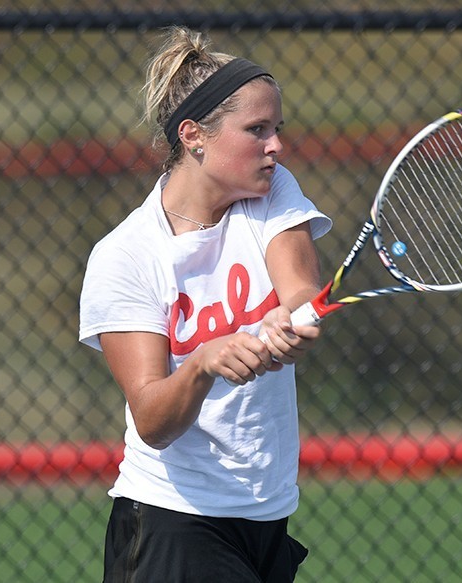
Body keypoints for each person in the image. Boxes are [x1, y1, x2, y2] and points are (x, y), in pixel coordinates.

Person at [79, 26, 332, 582]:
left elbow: (300, 289)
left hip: (266, 515)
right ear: (194, 135)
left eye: (277, 129)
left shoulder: (271, 193)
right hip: (173, 524)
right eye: (256, 130)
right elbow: (152, 419)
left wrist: (289, 316)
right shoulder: (125, 256)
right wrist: (201, 363)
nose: (276, 146)